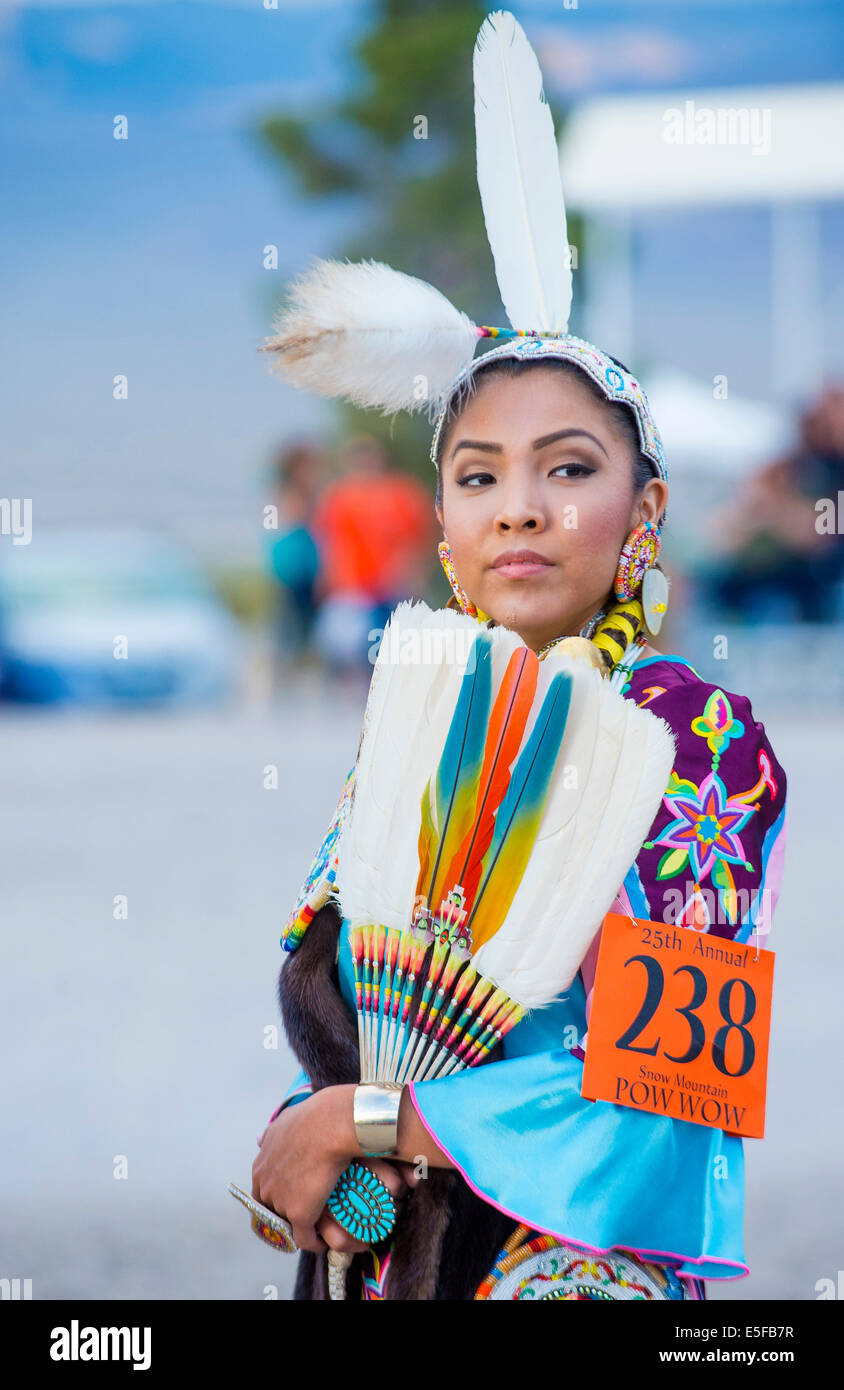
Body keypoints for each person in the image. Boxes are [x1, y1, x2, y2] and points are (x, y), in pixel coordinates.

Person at [251, 11, 788, 1301]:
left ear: (642, 512)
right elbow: (360, 1022)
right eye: (479, 475)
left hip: (571, 1275)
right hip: (397, 1258)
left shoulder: (699, 741)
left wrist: (364, 1127)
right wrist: (312, 1148)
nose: (521, 508)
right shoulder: (419, 719)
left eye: (570, 469)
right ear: (441, 521)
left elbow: (676, 1085)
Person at [310, 436, 434, 673]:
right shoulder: (338, 497)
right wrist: (327, 579)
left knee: (395, 647)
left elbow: (419, 537)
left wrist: (414, 573)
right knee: (351, 648)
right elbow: (328, 541)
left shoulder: (402, 494)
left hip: (392, 585)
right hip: (352, 587)